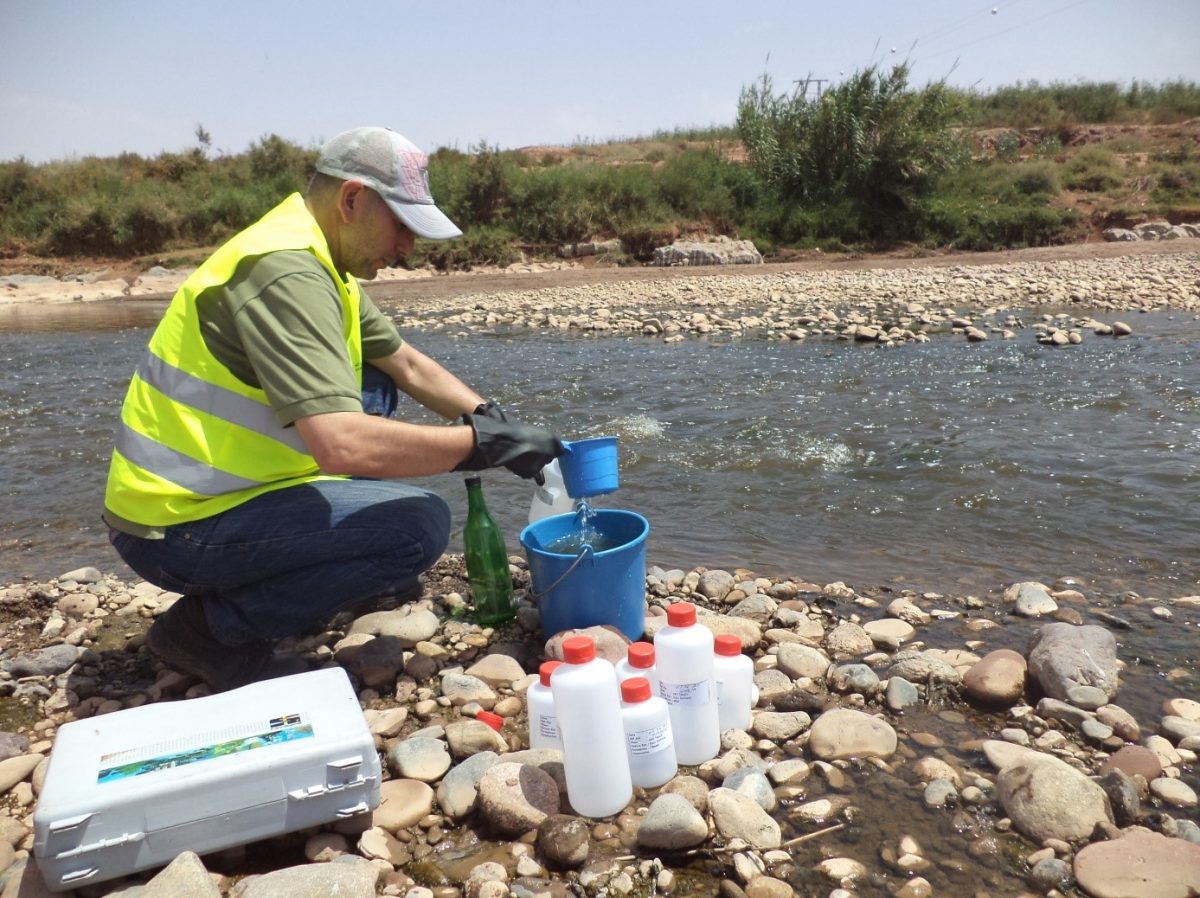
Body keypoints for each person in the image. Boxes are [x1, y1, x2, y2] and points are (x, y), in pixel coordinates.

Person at [104, 126, 563, 691]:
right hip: (176, 527)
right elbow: (343, 443)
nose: (407, 249)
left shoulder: (322, 260)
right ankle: (208, 630)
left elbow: (407, 365)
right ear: (352, 200)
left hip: (220, 494)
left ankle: (317, 565)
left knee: (372, 380)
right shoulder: (286, 271)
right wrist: (484, 448)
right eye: (402, 226)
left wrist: (494, 418)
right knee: (418, 528)